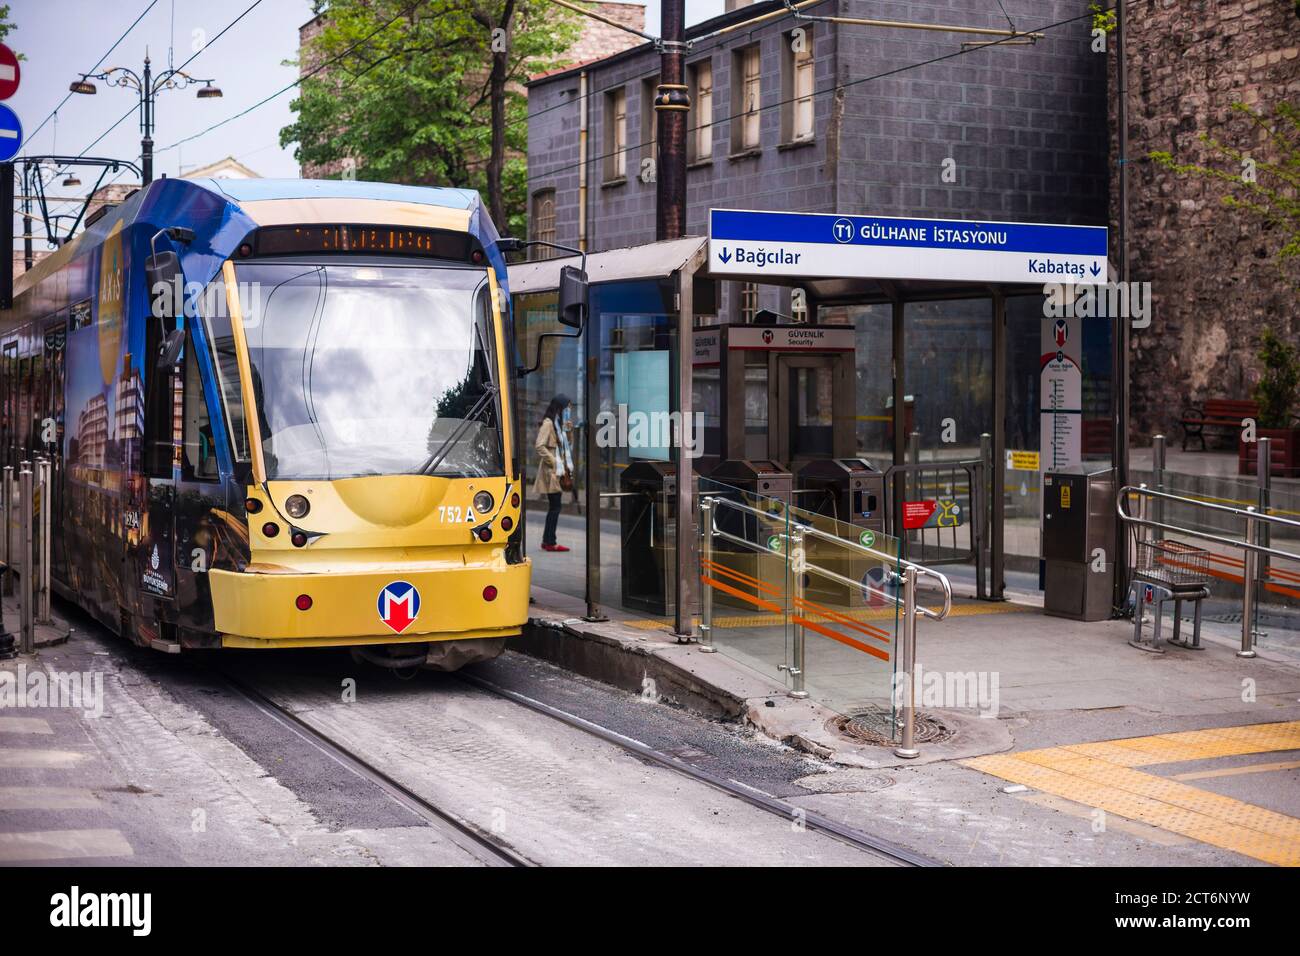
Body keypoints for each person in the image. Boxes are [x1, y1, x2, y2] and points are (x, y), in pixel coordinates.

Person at [533, 395, 573, 552]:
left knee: (554, 506)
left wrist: (569, 430)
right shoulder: (548, 424)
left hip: (558, 471)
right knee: (555, 506)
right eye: (567, 407)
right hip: (552, 471)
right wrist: (555, 462)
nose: (569, 410)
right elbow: (539, 446)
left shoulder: (558, 424)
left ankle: (548, 540)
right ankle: (550, 542)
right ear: (560, 407)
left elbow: (568, 445)